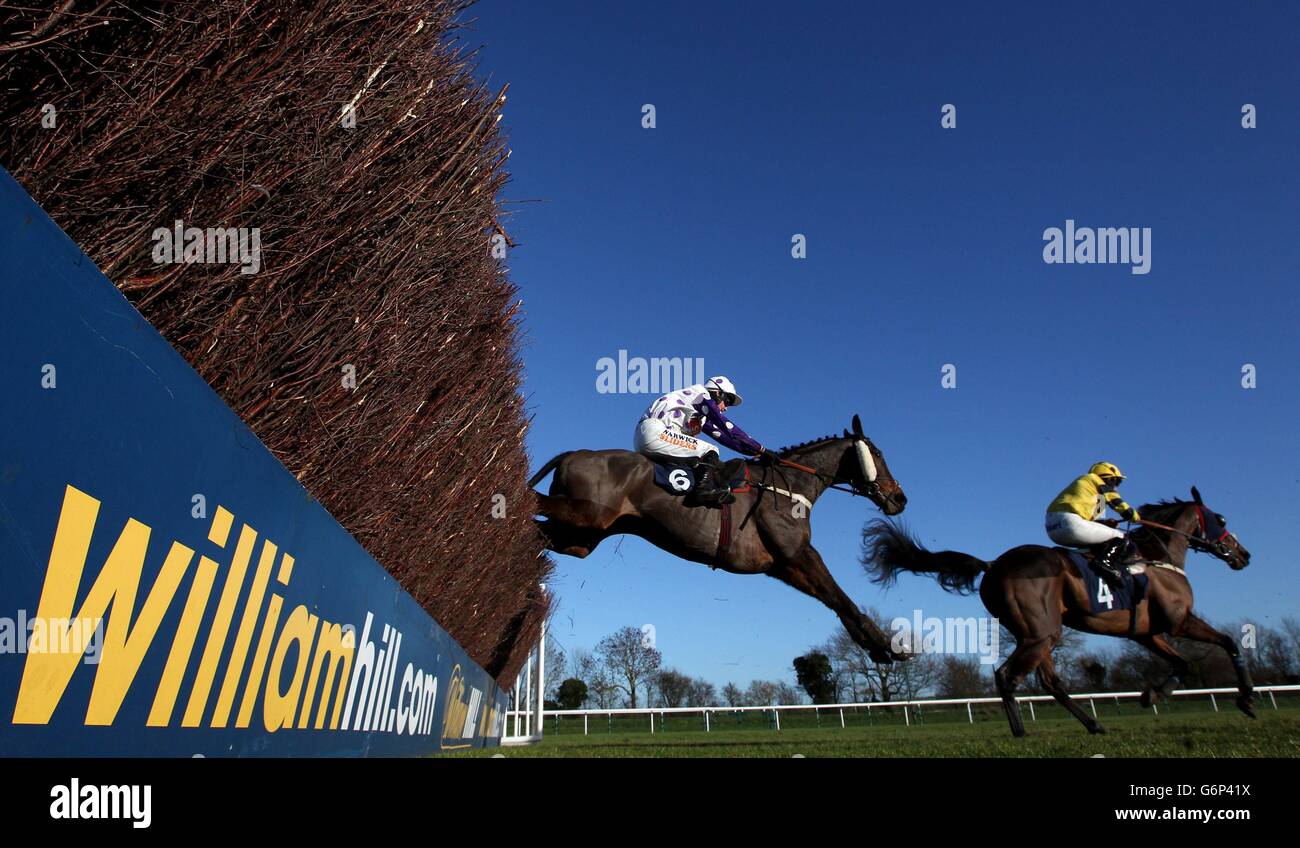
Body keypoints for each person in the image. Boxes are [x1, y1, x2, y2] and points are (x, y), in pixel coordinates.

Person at [633, 376, 778, 506]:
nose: (726, 408)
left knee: (705, 456)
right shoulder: (701, 395)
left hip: (651, 437)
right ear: (717, 393)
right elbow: (729, 428)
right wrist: (762, 448)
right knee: (711, 450)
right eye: (727, 400)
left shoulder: (699, 415)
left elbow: (727, 439)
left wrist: (756, 453)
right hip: (655, 433)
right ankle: (702, 491)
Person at [1045, 462, 1141, 587]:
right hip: (1071, 524)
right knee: (1122, 538)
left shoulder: (1096, 494)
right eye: (1117, 482)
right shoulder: (1093, 479)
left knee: (1104, 541)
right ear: (1109, 478)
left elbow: (1095, 520)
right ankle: (1104, 563)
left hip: (1053, 529)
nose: (1117, 486)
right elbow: (1116, 501)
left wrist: (1106, 523)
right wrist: (1133, 515)